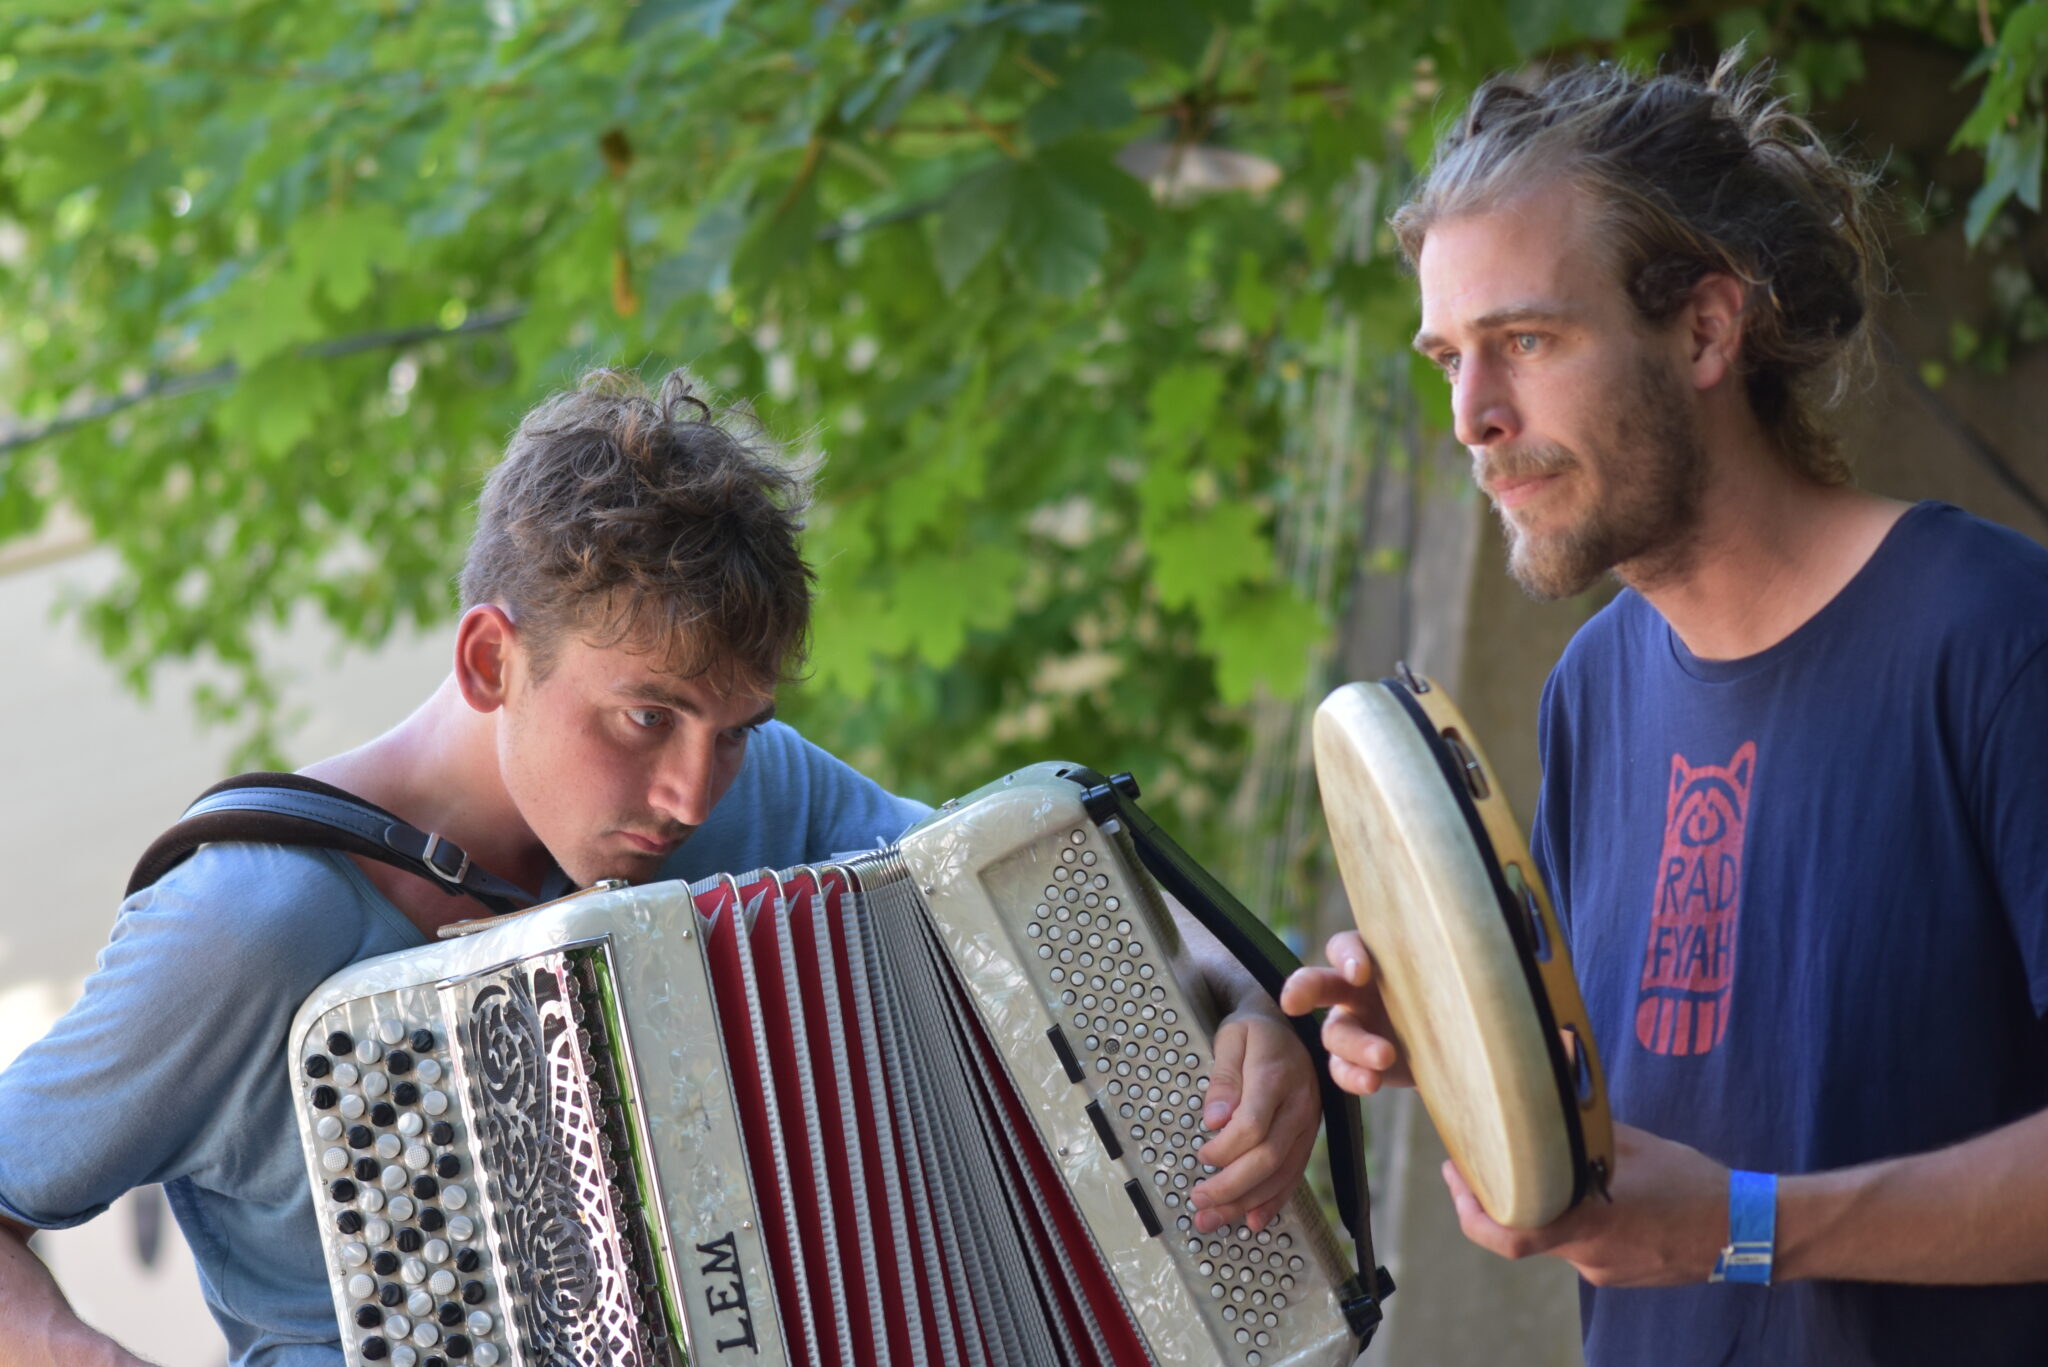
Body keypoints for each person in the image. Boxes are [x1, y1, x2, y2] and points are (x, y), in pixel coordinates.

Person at [0, 368, 1318, 1367]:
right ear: (490, 660)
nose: (693, 793)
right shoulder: (251, 921)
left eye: (733, 730)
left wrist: (1235, 998)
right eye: (644, 718)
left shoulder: (759, 792)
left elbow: (1035, 884)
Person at [1281, 52, 2048, 1366]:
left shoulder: (1993, 636)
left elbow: (1719, 1208)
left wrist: (1749, 1228)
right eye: (1449, 358)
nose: (1472, 416)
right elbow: (1665, 1107)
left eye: (1527, 341)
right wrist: (1461, 1030)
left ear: (1704, 330)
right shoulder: (1593, 690)